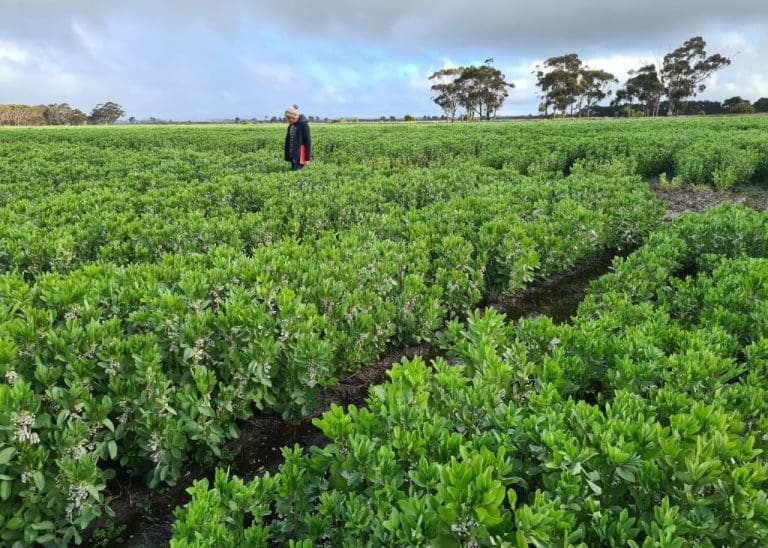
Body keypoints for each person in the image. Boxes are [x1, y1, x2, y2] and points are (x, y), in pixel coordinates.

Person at [284, 105, 311, 171]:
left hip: (300, 155)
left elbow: (307, 142)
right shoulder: (291, 125)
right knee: (294, 172)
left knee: (298, 172)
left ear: (293, 117)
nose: (289, 120)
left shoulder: (303, 125)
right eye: (288, 118)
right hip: (293, 154)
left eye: (290, 118)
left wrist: (307, 159)